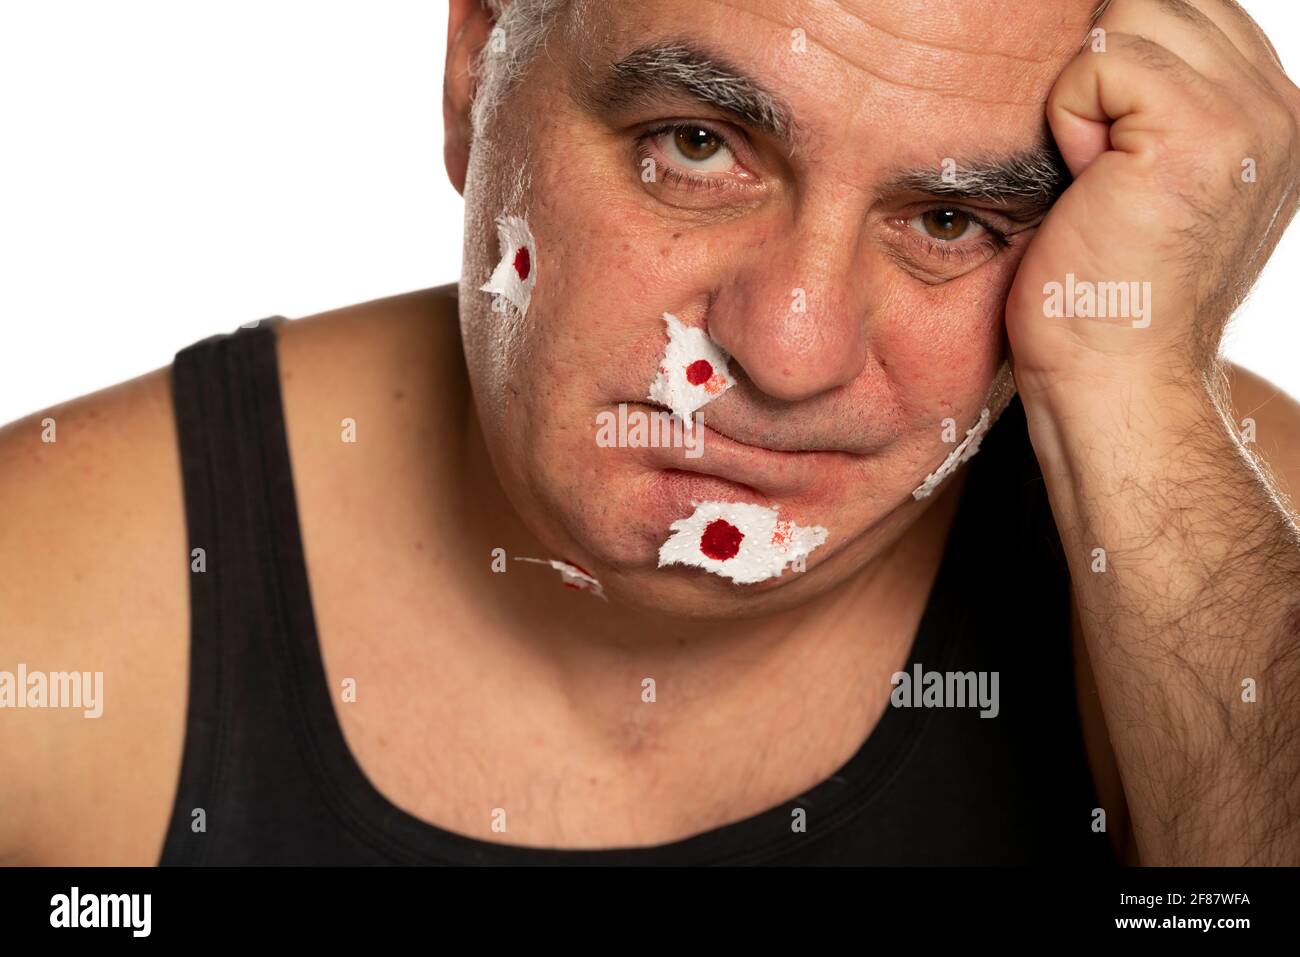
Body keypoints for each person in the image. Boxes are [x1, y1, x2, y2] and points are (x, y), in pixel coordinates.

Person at [2, 0, 1299, 866]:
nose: (791, 352)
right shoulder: (46, 606)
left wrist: (1138, 390)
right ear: (477, 66)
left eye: (951, 224)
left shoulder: (1224, 529)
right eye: (695, 145)